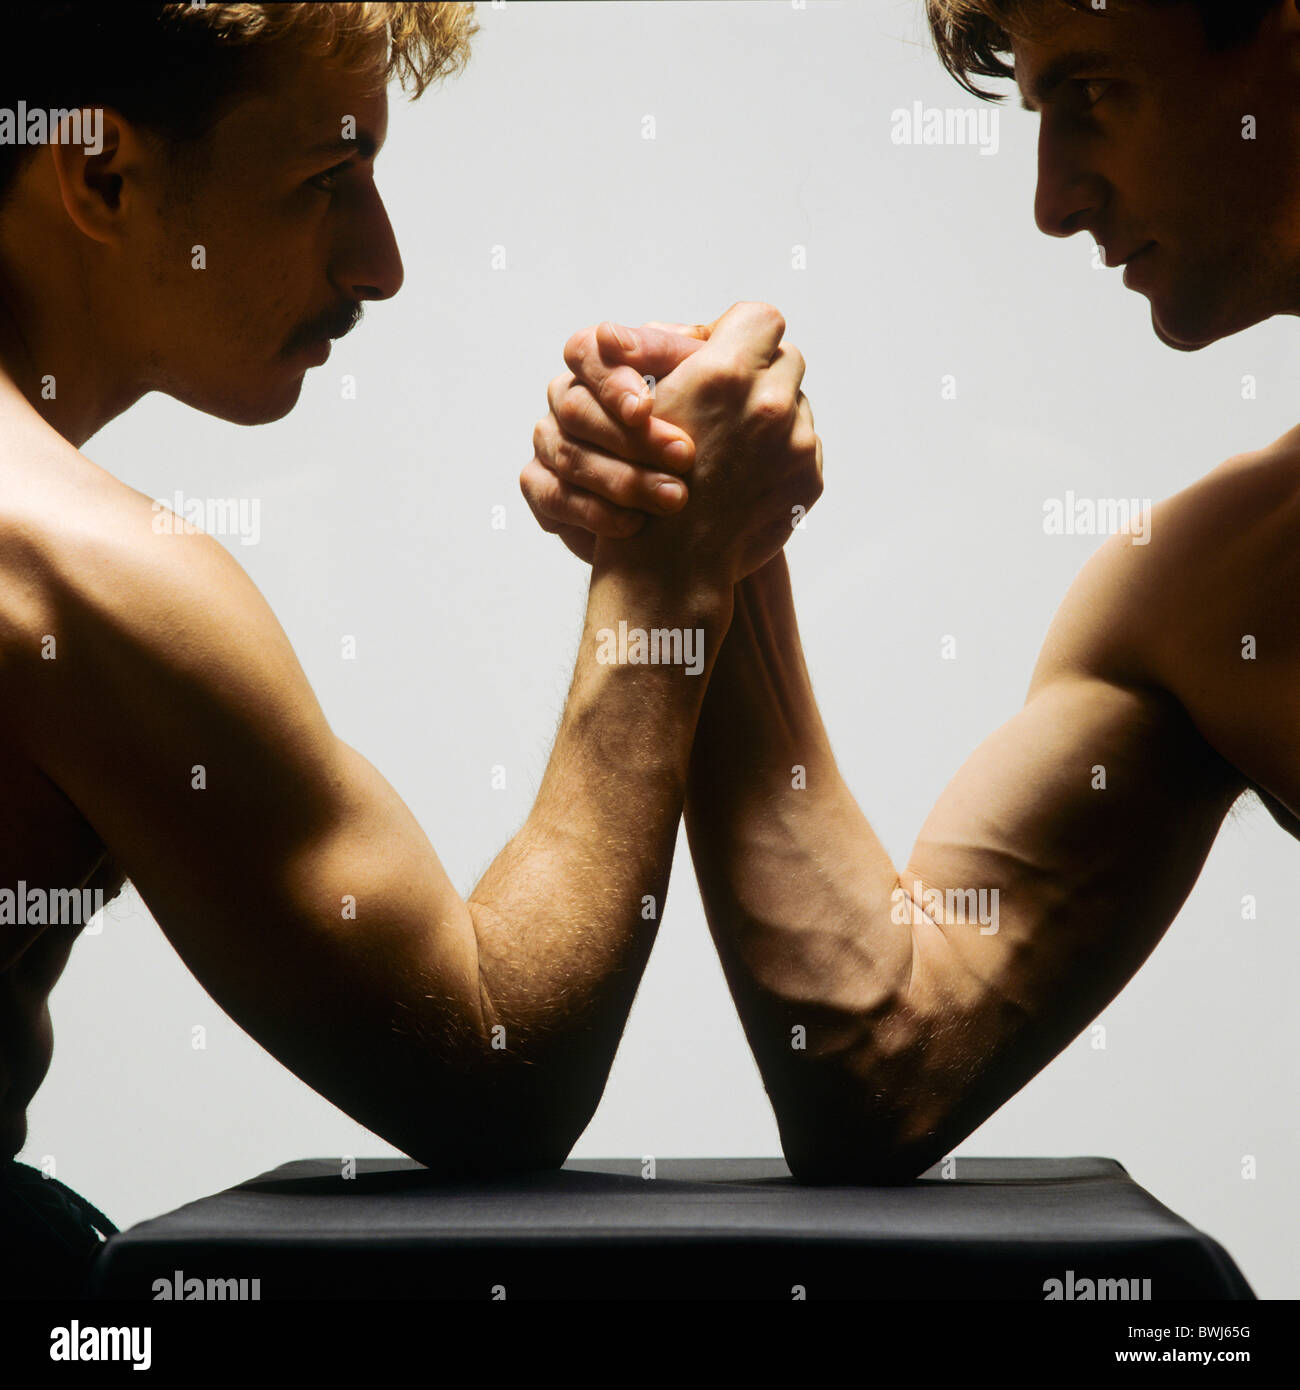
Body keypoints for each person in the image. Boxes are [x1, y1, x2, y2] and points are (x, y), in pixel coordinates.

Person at [0, 0, 821, 1292]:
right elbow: (492, 1067)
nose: (380, 263)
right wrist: (667, 573)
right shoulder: (67, 577)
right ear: (100, 171)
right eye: (330, 181)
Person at [522, 0, 1300, 1182]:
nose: (1053, 202)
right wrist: (697, 517)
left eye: (1092, 94)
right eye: (1040, 112)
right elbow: (884, 1058)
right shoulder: (1209, 596)